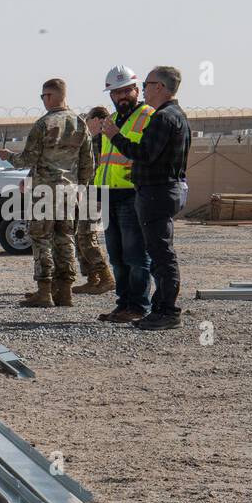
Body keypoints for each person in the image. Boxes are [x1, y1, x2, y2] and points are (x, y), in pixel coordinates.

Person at [102, 66, 190, 330]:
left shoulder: (162, 118)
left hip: (154, 192)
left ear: (159, 87)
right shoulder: (168, 116)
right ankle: (154, 307)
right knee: (150, 253)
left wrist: (116, 137)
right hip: (144, 192)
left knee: (156, 255)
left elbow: (145, 153)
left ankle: (165, 310)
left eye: (148, 83)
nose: (145, 88)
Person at [0, 79, 91, 307]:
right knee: (65, 239)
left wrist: (8, 156)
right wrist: (81, 187)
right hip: (68, 191)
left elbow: (27, 158)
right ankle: (65, 291)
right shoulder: (80, 123)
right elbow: (88, 163)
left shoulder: (44, 124)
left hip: (44, 191)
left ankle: (44, 291)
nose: (43, 101)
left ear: (50, 96)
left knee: (41, 239)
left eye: (43, 97)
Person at [93, 66, 156, 323]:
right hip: (110, 194)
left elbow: (146, 153)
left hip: (132, 193)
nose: (121, 96)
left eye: (125, 91)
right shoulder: (112, 120)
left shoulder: (148, 116)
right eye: (115, 92)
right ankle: (124, 304)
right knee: (117, 256)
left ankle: (139, 306)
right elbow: (105, 161)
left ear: (136, 90)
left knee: (136, 255)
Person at [70, 106, 114, 295]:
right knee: (81, 236)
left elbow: (98, 172)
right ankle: (92, 278)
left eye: (88, 120)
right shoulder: (95, 140)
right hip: (88, 194)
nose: (86, 124)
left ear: (96, 120)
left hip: (95, 195)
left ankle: (105, 278)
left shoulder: (101, 140)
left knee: (87, 237)